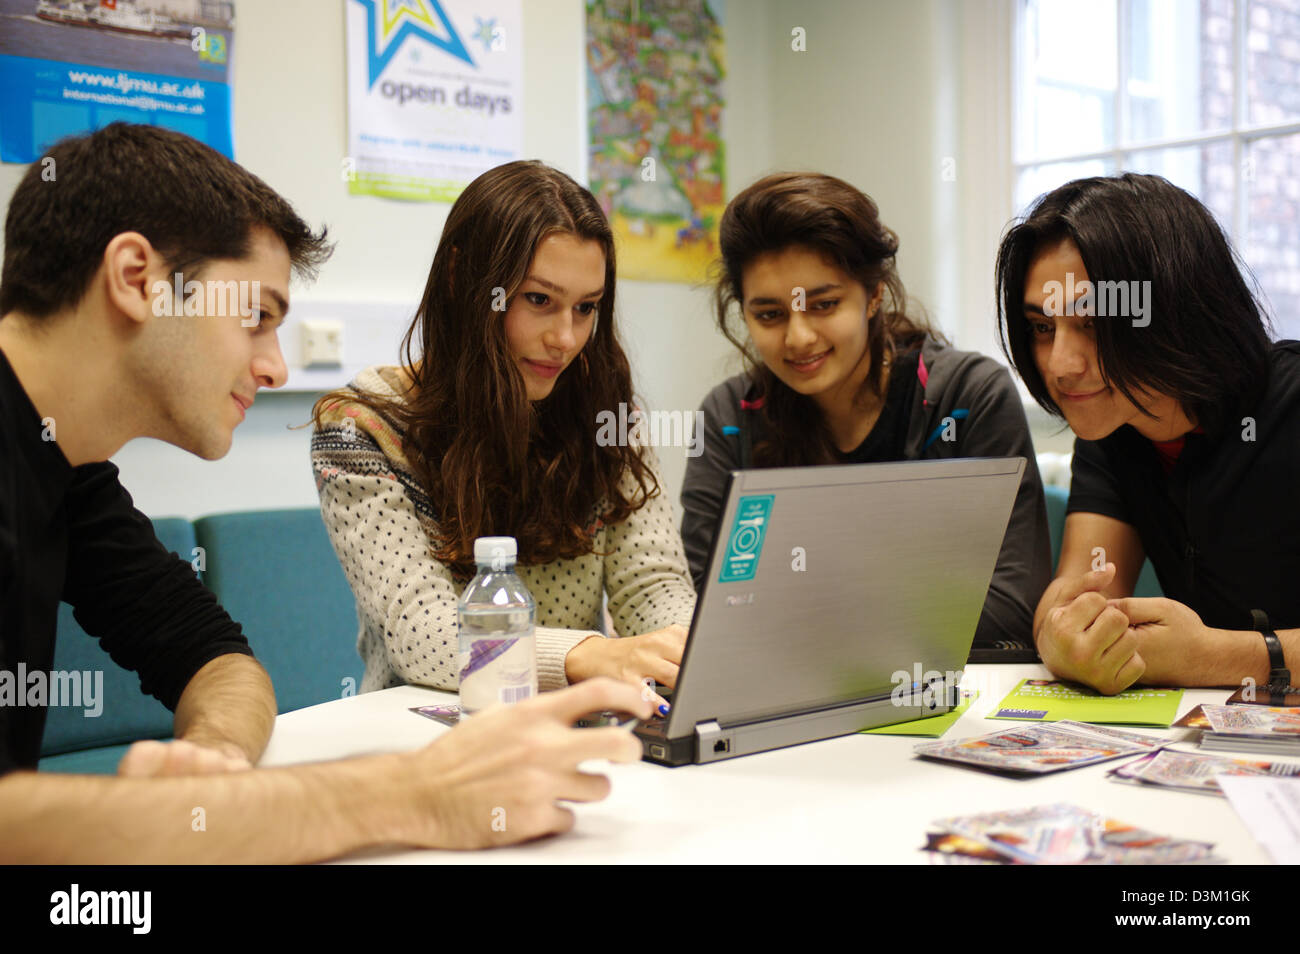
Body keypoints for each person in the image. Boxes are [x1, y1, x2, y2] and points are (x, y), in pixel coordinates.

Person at [0, 122, 652, 863]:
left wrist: (211, 761)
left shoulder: (70, 473)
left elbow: (215, 658)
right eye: (257, 317)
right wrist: (411, 795)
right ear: (136, 279)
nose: (277, 368)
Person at [310, 160, 695, 704]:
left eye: (586, 308)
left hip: (575, 723)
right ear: (462, 281)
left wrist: (681, 651)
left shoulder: (606, 417)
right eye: (538, 300)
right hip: (428, 726)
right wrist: (586, 655)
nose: (565, 338)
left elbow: (652, 584)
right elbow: (422, 633)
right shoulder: (359, 428)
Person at [681, 172, 1051, 646]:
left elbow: (1012, 604)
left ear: (874, 294)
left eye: (824, 304)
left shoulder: (969, 397)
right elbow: (700, 601)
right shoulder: (728, 417)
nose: (798, 338)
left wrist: (796, 612)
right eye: (769, 315)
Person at [996, 172, 1299, 694]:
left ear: (1178, 311)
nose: (1061, 365)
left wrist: (1219, 656)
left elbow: (1208, 658)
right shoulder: (1112, 428)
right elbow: (1075, 592)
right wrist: (1059, 636)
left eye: (1092, 323)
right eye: (1043, 328)